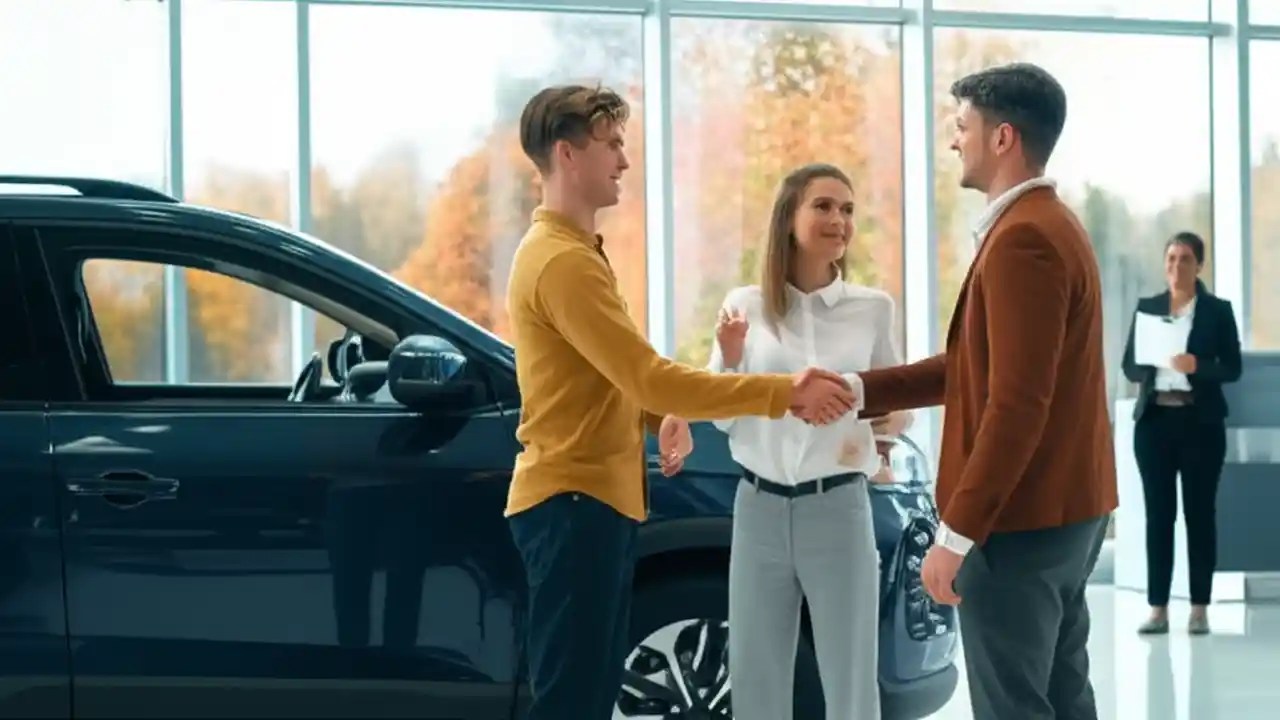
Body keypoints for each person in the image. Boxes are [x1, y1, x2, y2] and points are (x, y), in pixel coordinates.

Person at [503, 84, 857, 720]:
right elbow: (648, 374)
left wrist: (654, 417)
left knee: (585, 692)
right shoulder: (563, 263)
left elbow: (612, 378)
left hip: (589, 501)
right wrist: (784, 393)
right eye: (612, 145)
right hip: (573, 503)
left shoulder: (579, 254)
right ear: (567, 155)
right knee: (572, 700)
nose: (624, 160)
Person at [845, 63, 1118, 720]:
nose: (953, 140)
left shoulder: (1023, 239)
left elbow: (1017, 404)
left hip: (1019, 527)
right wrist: (857, 389)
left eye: (961, 126)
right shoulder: (1049, 225)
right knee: (1060, 694)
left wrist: (957, 535)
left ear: (1003, 138)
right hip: (1065, 514)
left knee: (1013, 705)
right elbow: (974, 367)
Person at [708, 163, 911, 720]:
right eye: (823, 206)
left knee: (850, 681)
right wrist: (728, 360)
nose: (838, 219)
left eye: (847, 209)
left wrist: (859, 425)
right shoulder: (744, 307)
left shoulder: (873, 309)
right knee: (756, 678)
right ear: (788, 217)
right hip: (759, 508)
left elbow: (896, 410)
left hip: (840, 508)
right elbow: (721, 416)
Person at [1122, 230, 1242, 636]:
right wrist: (1148, 362)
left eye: (1185, 259)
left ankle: (1199, 608)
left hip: (1201, 425)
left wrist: (1198, 365)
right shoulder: (1148, 308)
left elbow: (1233, 368)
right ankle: (1157, 608)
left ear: (1199, 266)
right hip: (1155, 425)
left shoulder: (1217, 311)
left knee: (1199, 516)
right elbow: (1129, 366)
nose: (1176, 266)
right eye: (1171, 259)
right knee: (1159, 517)